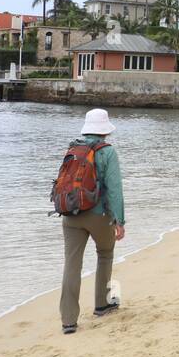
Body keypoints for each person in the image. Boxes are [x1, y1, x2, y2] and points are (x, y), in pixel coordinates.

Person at [58, 108, 125, 335]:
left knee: (72, 265)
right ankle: (102, 304)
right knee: (105, 254)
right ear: (105, 130)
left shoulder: (72, 148)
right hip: (98, 215)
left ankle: (68, 321)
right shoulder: (108, 152)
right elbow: (115, 190)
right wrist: (119, 220)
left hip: (71, 214)